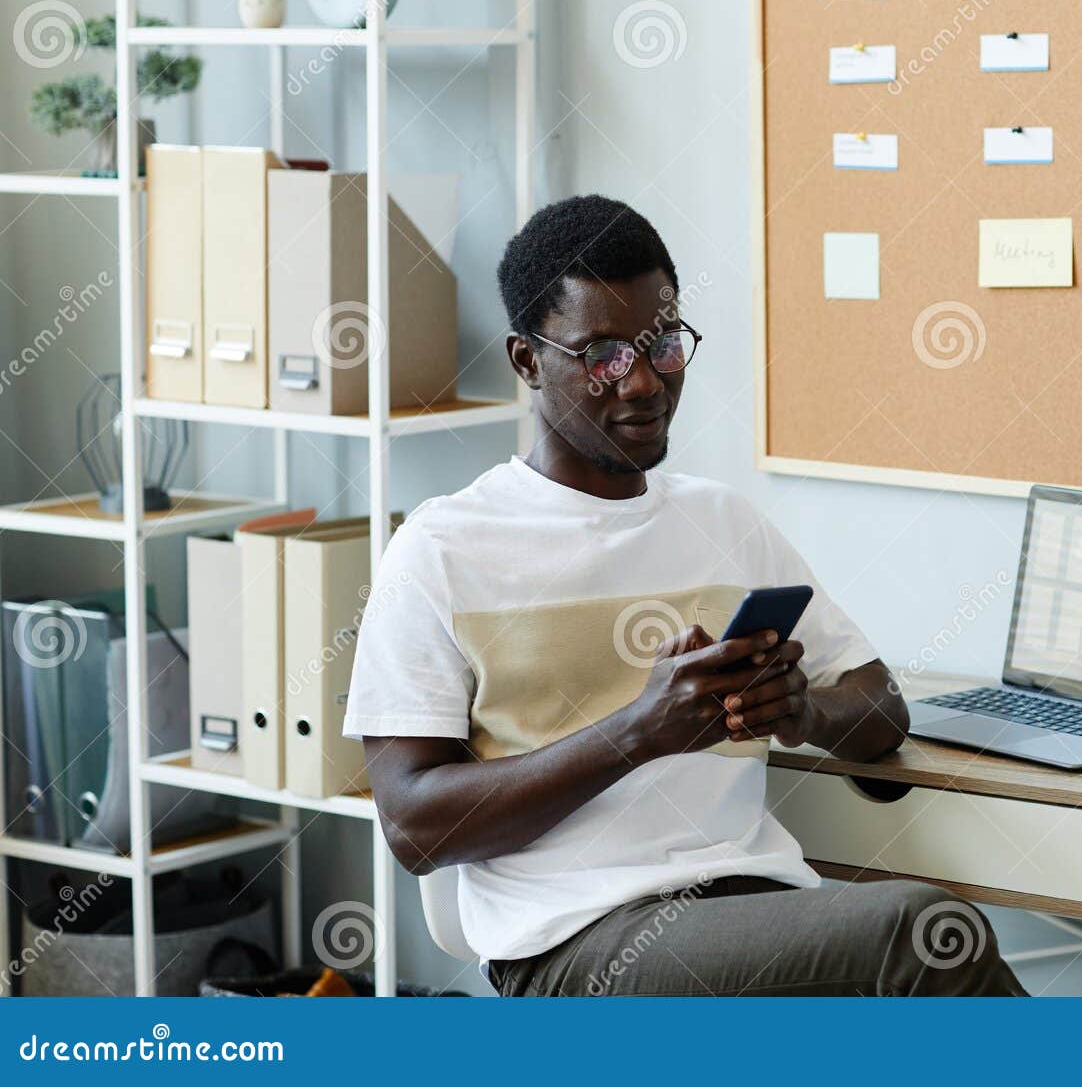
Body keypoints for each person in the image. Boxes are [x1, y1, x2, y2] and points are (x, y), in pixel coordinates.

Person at [344, 194, 1025, 997]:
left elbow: (882, 707)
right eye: (602, 354)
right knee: (925, 937)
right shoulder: (443, 547)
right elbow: (414, 825)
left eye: (661, 344)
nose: (642, 383)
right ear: (528, 362)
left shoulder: (722, 521)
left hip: (752, 907)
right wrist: (640, 731)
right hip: (575, 947)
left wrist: (802, 713)